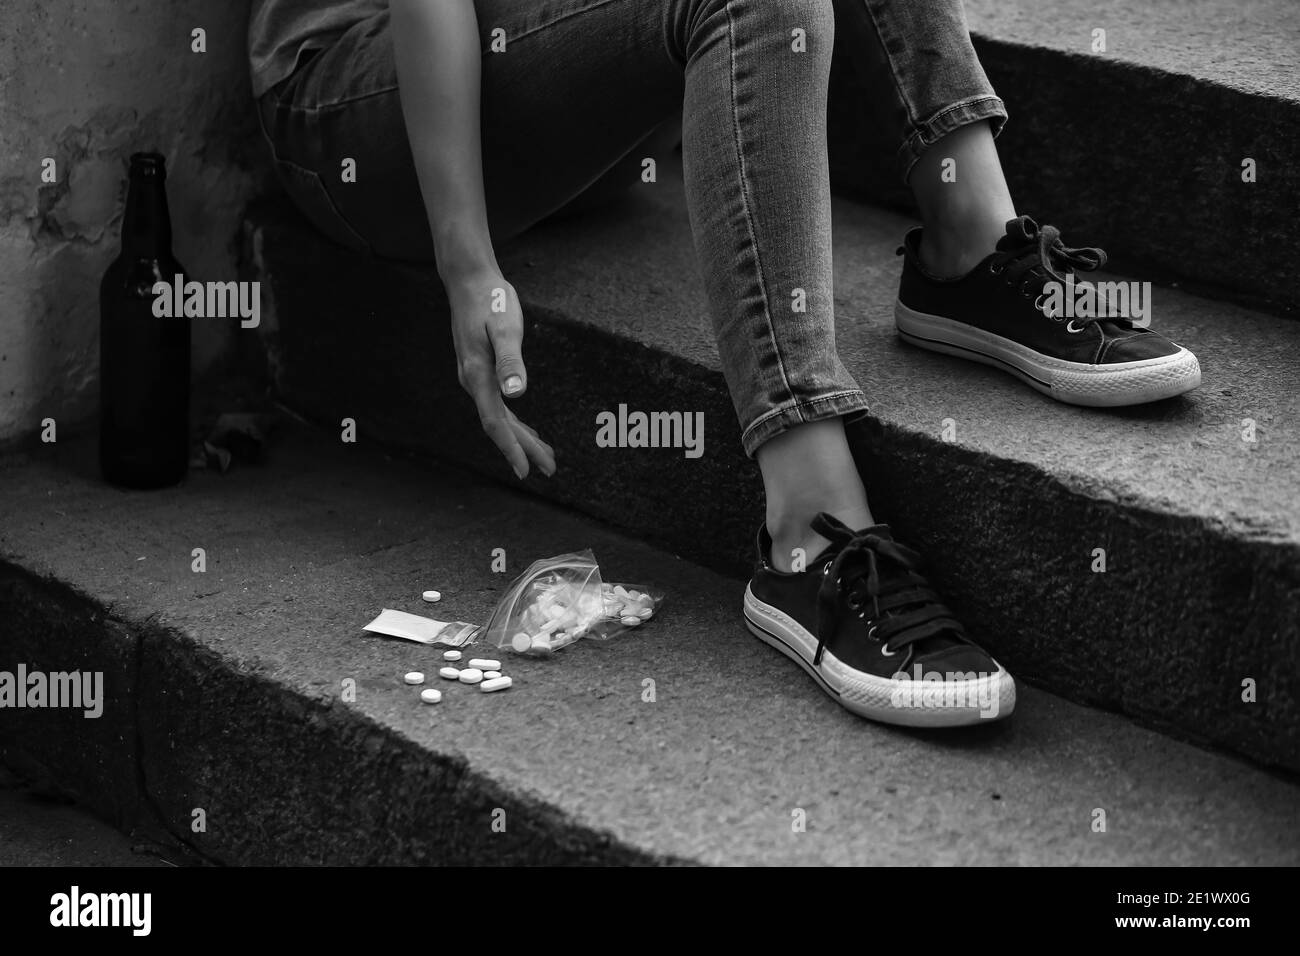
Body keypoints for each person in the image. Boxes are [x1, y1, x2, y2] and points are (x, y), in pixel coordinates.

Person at [248, 0, 1201, 728]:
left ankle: (970, 245)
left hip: (557, 87)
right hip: (367, 110)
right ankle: (809, 534)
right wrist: (468, 266)